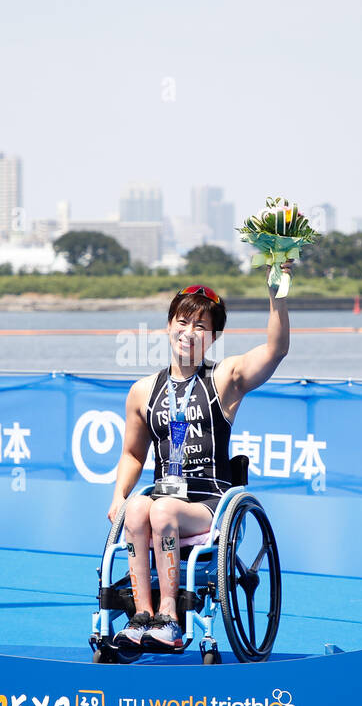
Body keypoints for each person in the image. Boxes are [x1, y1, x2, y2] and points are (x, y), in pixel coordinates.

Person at [107, 265, 292, 651]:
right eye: (182, 321)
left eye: (200, 326)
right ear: (168, 326)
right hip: (163, 498)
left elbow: (275, 351)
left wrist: (278, 295)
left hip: (210, 503)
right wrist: (118, 495)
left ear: (213, 337)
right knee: (138, 508)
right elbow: (131, 454)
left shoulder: (223, 379)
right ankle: (143, 616)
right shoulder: (142, 391)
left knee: (159, 512)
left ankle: (170, 619)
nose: (188, 332)